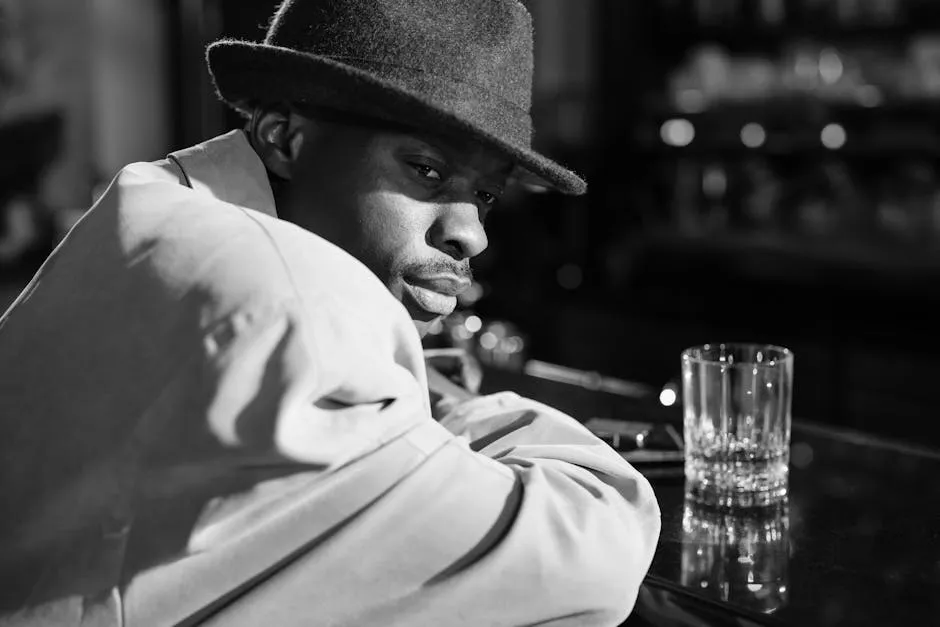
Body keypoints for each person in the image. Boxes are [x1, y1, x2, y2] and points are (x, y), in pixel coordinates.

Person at [0, 1, 660, 625]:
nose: (472, 233)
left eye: (485, 194)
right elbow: (595, 545)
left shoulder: (152, 205)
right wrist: (463, 411)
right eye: (427, 171)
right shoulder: (298, 307)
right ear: (285, 136)